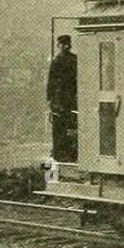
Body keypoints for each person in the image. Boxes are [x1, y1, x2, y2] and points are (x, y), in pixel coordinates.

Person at [47, 34, 78, 162]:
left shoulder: (58, 60)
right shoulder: (73, 59)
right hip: (67, 97)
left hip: (63, 98)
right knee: (67, 126)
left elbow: (51, 82)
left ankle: (61, 154)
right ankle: (66, 153)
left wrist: (50, 100)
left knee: (62, 127)